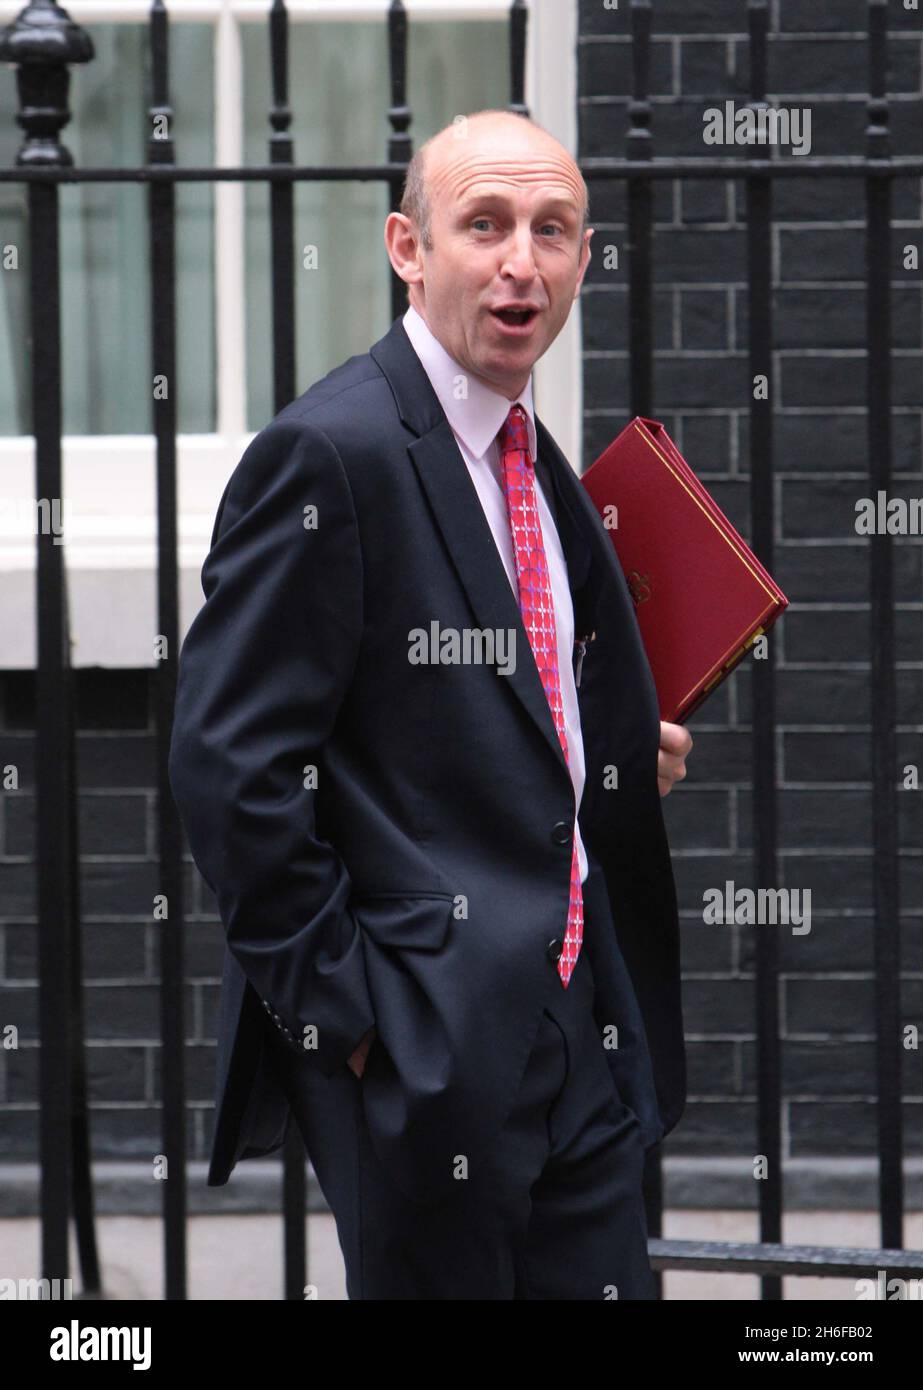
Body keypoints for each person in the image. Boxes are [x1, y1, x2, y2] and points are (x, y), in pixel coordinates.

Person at [168, 107, 692, 1300]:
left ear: (582, 258)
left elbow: (492, 699)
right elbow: (229, 766)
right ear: (408, 247)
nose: (522, 260)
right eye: (485, 225)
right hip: (424, 1047)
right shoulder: (332, 453)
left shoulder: (530, 457)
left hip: (575, 1023)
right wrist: (358, 1018)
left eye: (552, 230)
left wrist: (601, 749)